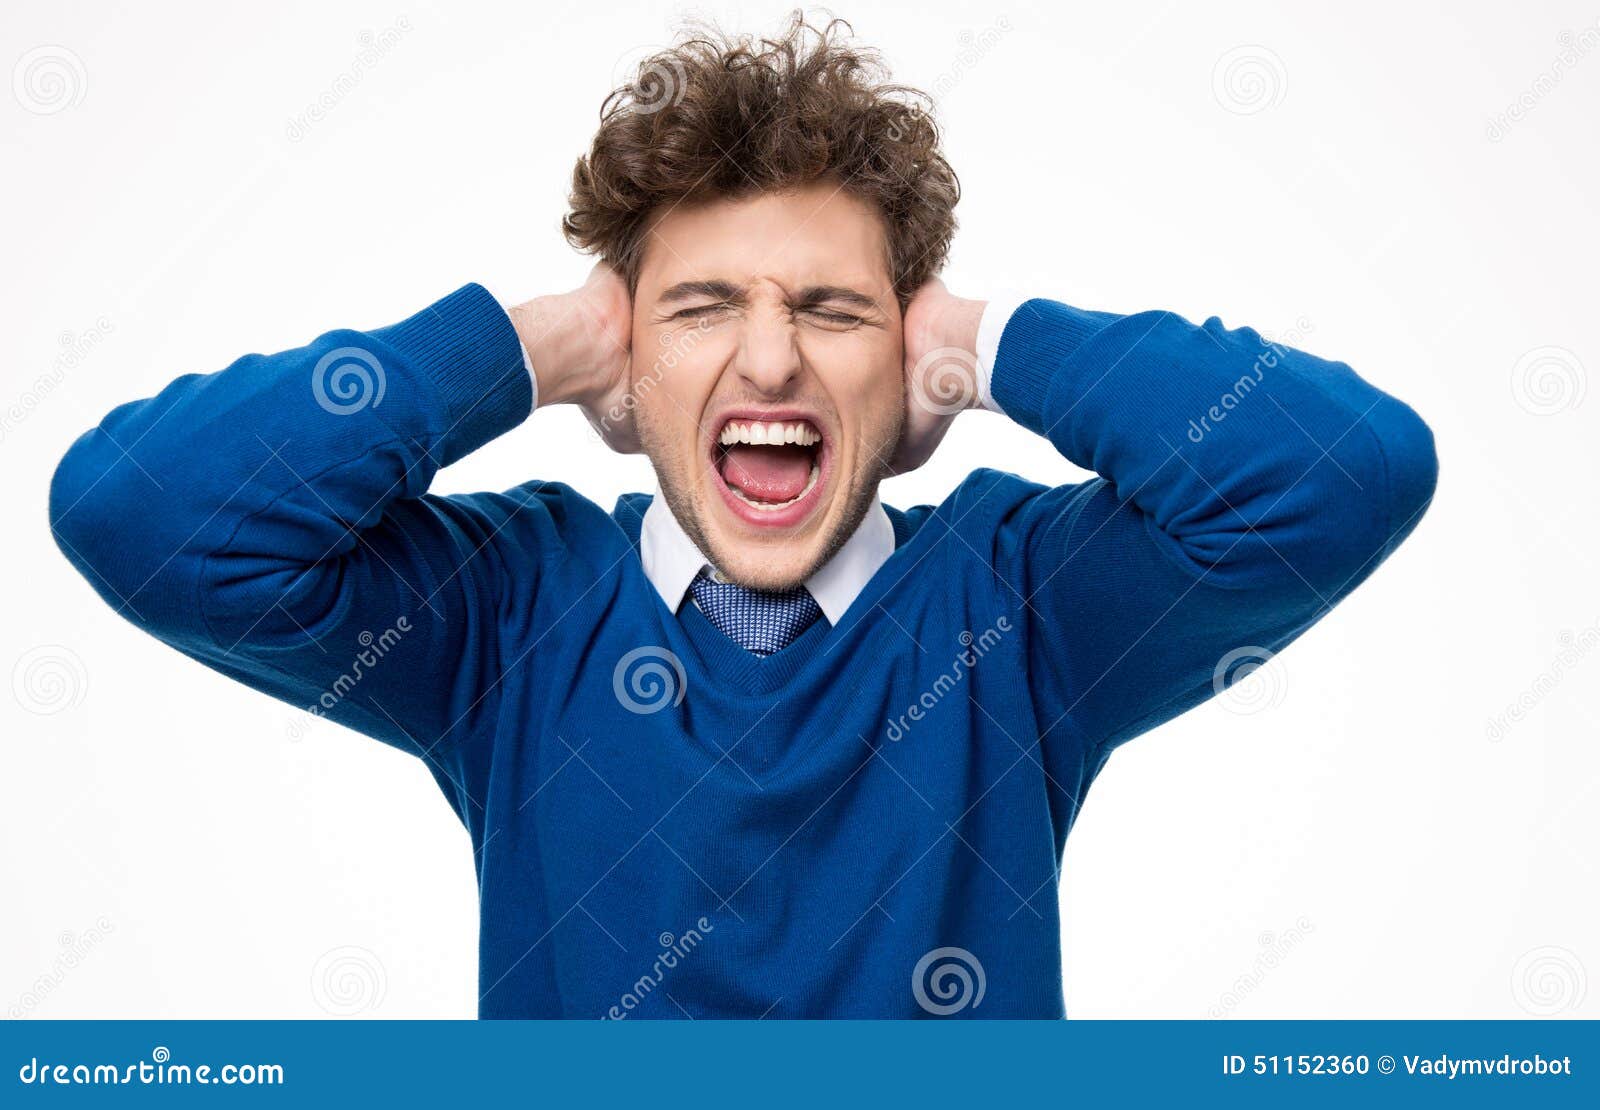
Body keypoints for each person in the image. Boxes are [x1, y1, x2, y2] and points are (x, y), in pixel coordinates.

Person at [48, 15, 1437, 1018]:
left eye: (834, 311)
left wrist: (989, 339)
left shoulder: (1019, 612)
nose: (769, 363)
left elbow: (1347, 471)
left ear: (906, 362)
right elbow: (137, 513)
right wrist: (522, 351)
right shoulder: (509, 616)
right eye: (700, 308)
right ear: (625, 360)